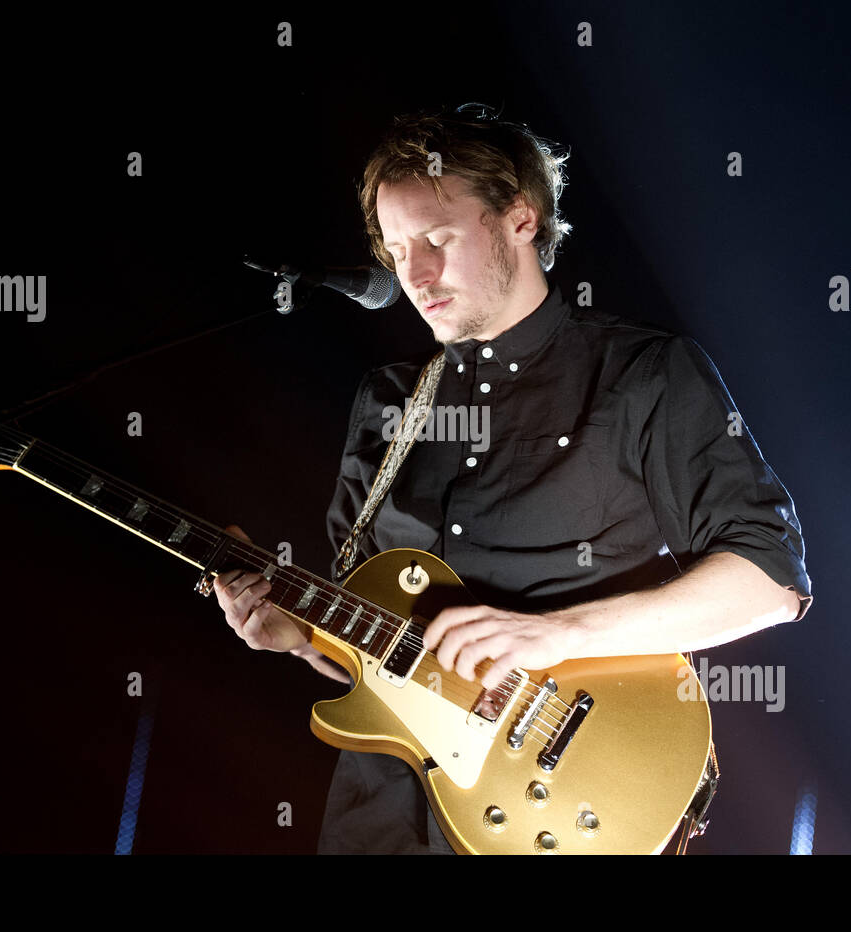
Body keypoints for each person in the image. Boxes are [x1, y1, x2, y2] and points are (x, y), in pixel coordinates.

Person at [213, 104, 813, 854]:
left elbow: (769, 578)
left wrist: (550, 636)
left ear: (521, 220)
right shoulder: (389, 402)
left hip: (564, 810)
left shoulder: (642, 374)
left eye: (438, 239)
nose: (416, 275)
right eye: (399, 252)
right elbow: (379, 654)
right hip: (378, 818)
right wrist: (297, 635)